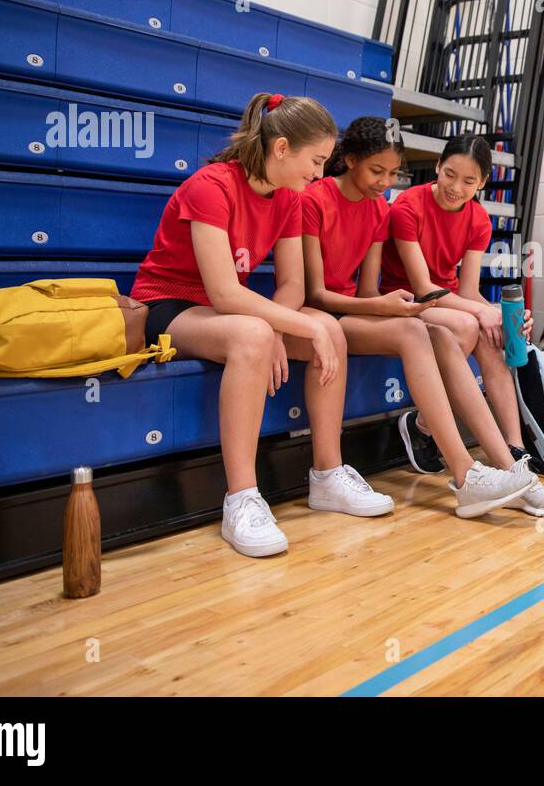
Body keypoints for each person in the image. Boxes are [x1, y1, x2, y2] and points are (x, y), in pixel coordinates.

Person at [130, 93, 392, 559]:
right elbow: (224, 292)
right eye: (315, 161)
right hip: (170, 307)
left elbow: (292, 284)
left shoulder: (290, 198)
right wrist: (274, 327)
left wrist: (287, 323)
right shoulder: (210, 187)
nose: (319, 173)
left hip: (227, 310)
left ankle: (328, 475)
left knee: (327, 329)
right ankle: (242, 498)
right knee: (256, 333)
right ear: (282, 148)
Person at [301, 117, 544, 518]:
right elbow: (316, 294)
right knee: (438, 327)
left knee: (453, 329)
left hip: (360, 310)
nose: (385, 181)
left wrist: (498, 314)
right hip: (325, 312)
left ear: (483, 183)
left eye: (391, 173)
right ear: (348, 161)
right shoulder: (320, 200)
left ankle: (509, 463)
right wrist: (385, 307)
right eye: (376, 171)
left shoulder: (377, 210)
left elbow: (365, 291)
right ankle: (468, 472)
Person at [378, 133, 544, 517]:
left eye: (468, 181)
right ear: (436, 167)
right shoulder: (407, 206)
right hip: (407, 301)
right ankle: (432, 427)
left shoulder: (478, 218)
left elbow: (467, 290)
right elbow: (423, 287)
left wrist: (503, 316)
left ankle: (514, 457)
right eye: (450, 175)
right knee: (468, 326)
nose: (456, 188)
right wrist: (480, 313)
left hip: (448, 303)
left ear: (482, 183)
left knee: (494, 334)